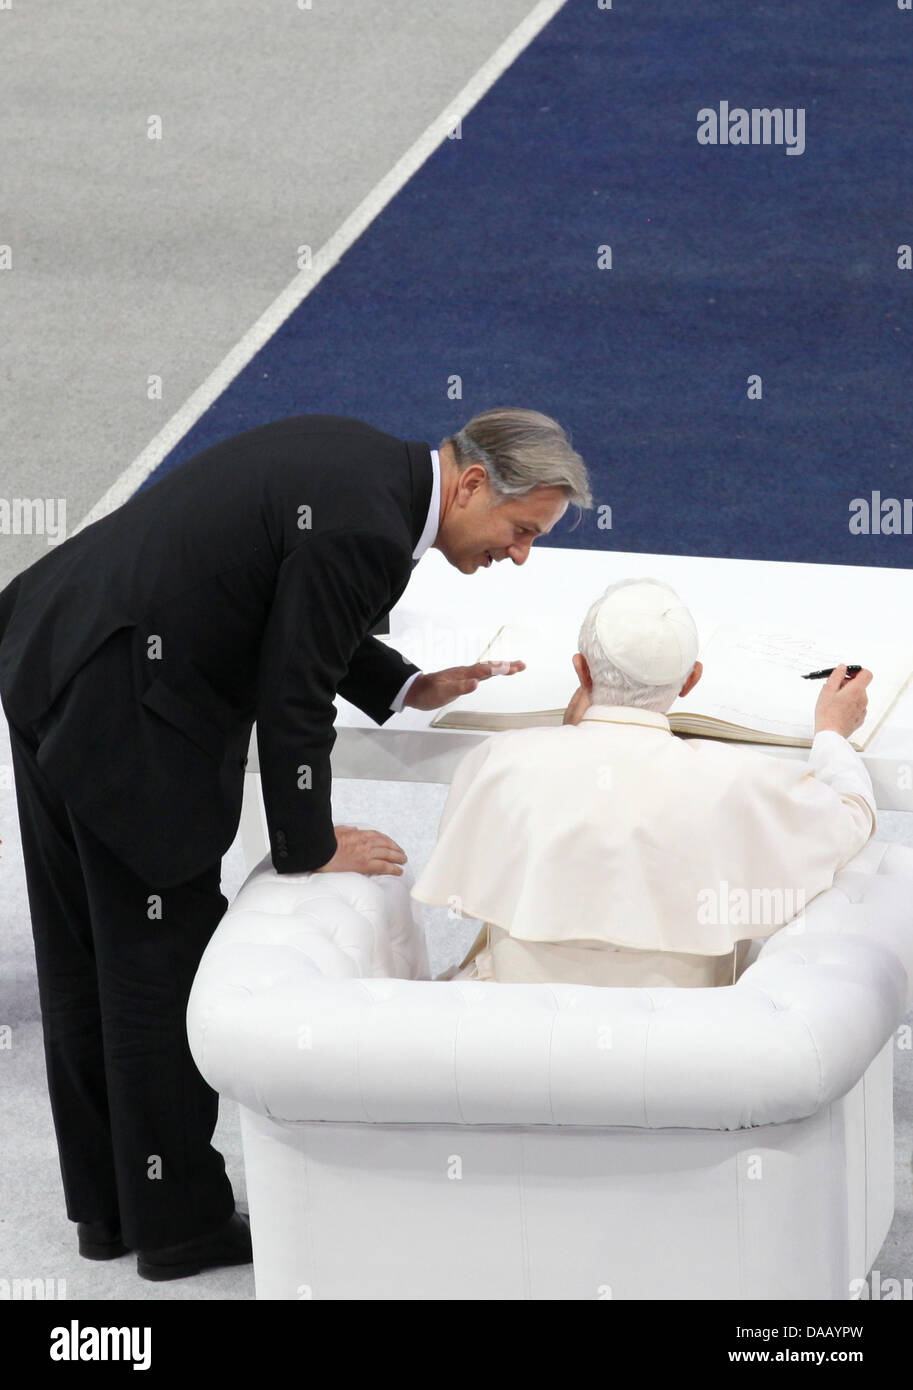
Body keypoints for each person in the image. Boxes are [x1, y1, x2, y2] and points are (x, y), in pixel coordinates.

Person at [0, 407, 592, 1279]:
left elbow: (296, 602)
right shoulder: (369, 529)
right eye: (519, 530)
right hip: (123, 709)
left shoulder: (362, 466)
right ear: (471, 484)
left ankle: (111, 1213)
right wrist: (309, 844)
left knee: (81, 957)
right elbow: (292, 693)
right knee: (153, 970)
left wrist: (402, 684)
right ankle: (179, 1228)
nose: (518, 555)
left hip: (53, 647)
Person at [412, 578, 875, 987]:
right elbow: (851, 817)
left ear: (582, 670)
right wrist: (832, 733)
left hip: (512, 1028)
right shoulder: (733, 781)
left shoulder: (500, 762)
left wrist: (568, 741)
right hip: (683, 1036)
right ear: (691, 681)